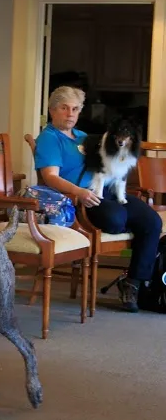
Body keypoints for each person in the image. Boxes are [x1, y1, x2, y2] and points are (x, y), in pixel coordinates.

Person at [34, 86, 162, 313]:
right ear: (52, 110)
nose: (70, 113)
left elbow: (114, 159)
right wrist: (80, 192)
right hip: (81, 199)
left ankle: (133, 283)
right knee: (115, 220)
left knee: (152, 221)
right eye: (64, 108)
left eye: (75, 109)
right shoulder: (49, 138)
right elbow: (50, 177)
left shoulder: (83, 136)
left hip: (109, 191)